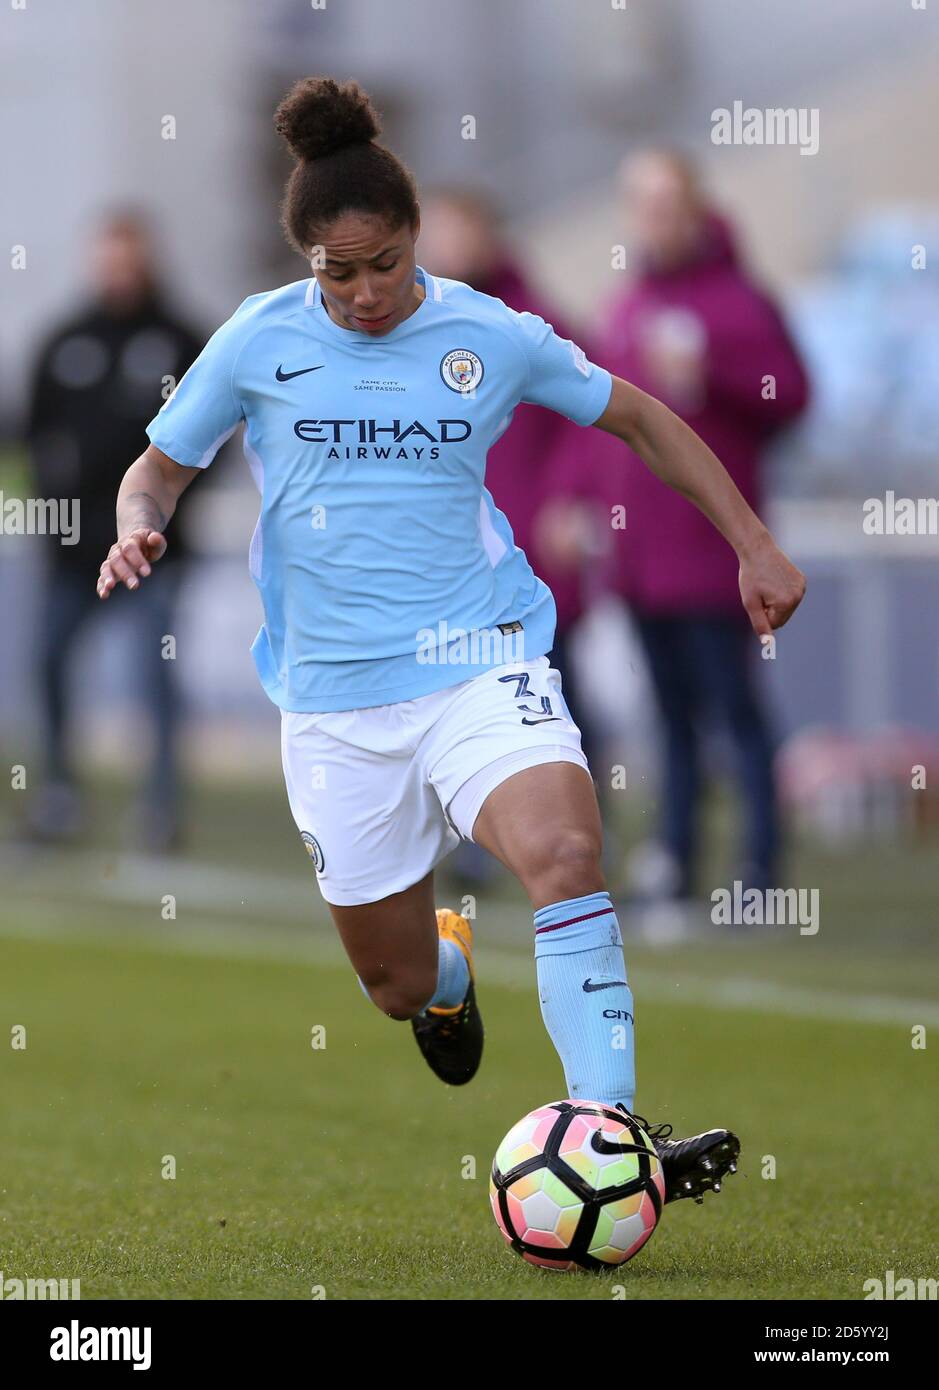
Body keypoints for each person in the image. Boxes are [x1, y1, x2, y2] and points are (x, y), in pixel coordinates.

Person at [97, 78, 806, 1207]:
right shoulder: (254, 338)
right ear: (307, 263)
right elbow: (159, 469)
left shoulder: (490, 331)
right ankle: (446, 975)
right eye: (340, 272)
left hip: (483, 659)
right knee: (388, 980)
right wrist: (138, 525)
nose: (369, 291)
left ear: (416, 237)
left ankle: (614, 1133)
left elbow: (638, 416)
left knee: (568, 859)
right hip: (334, 702)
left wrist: (752, 544)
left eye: (386, 263)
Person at [568, 150, 810, 901]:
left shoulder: (740, 301)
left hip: (713, 554)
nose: (654, 220)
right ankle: (674, 863)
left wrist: (715, 377)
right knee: (667, 720)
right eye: (642, 204)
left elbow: (792, 397)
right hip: (640, 556)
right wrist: (578, 500)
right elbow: (594, 421)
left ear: (697, 209)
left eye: (667, 203)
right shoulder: (625, 304)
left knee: (735, 715)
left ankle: (762, 870)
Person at [26, 209, 204, 849]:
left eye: (128, 256)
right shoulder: (65, 340)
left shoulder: (182, 339)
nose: (117, 270)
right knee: (46, 661)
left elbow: (210, 443)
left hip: (152, 547)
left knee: (149, 673)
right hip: (72, 550)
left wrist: (172, 511)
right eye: (107, 256)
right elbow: (33, 435)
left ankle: (161, 810)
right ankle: (58, 799)